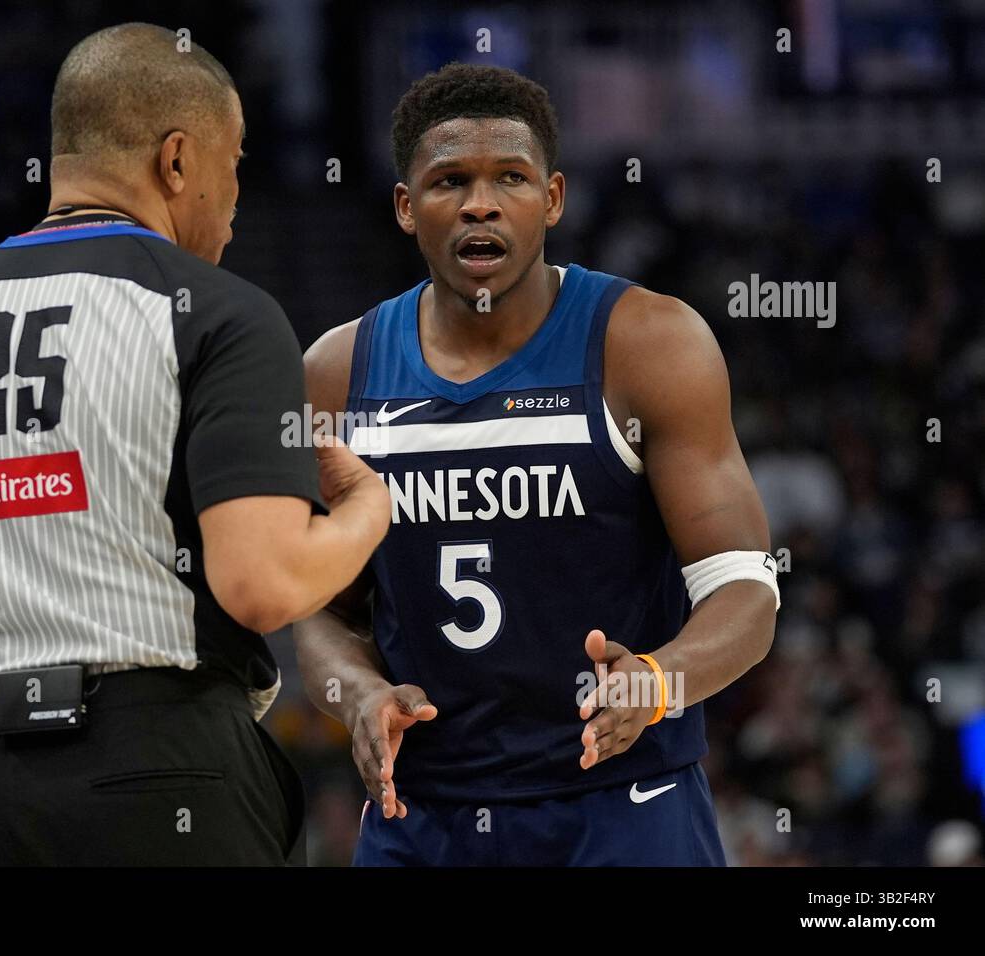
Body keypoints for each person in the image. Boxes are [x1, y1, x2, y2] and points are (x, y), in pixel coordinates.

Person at [0, 23, 389, 866]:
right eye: (233, 163)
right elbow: (262, 583)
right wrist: (366, 512)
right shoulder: (220, 314)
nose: (238, 204)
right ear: (177, 162)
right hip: (163, 774)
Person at [295, 63, 779, 866]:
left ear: (551, 199)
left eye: (509, 178)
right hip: (424, 810)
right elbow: (321, 611)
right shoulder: (337, 371)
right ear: (407, 209)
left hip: (621, 804)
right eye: (450, 180)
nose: (480, 202)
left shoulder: (649, 344)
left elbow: (745, 590)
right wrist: (361, 695)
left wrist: (657, 681)